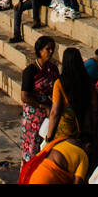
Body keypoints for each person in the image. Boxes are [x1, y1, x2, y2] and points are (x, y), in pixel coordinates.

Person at [19, 36, 59, 164]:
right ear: (39, 51)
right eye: (48, 49)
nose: (51, 52)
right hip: (33, 115)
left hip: (49, 114)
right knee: (31, 149)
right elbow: (24, 96)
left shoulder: (53, 69)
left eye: (53, 49)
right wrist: (42, 106)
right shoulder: (30, 71)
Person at [45, 47, 93, 151]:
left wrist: (49, 137)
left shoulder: (59, 83)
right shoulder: (88, 82)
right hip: (85, 132)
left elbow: (55, 112)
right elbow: (94, 106)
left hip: (65, 133)